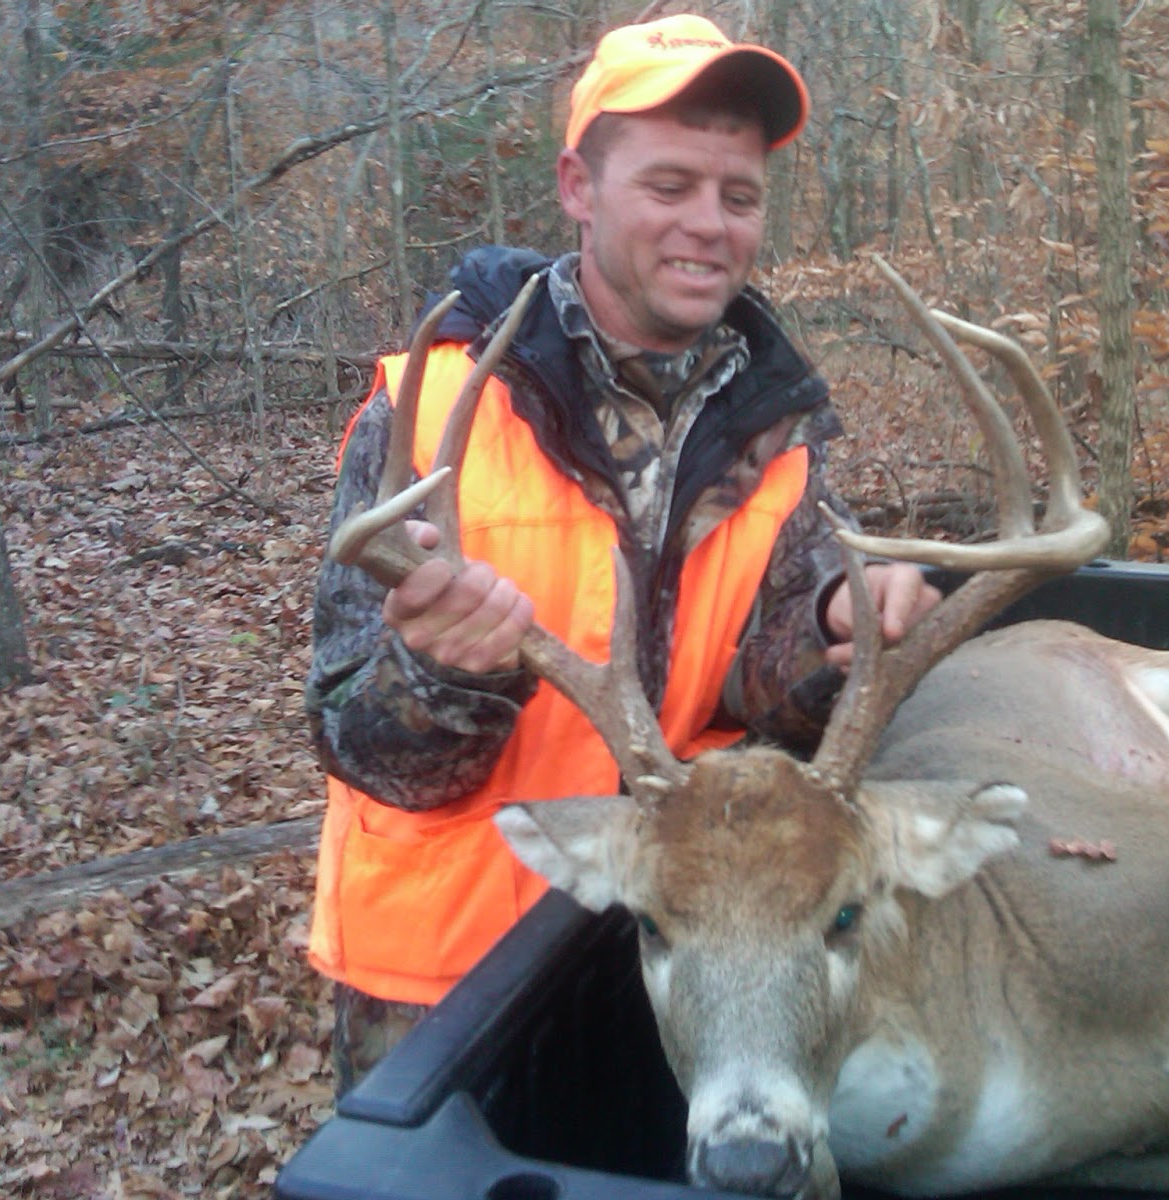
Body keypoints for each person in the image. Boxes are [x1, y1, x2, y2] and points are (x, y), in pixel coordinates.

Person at [304, 13, 941, 1093]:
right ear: (577, 187)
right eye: (669, 185)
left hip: (695, 954)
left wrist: (838, 629)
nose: (709, 225)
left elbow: (760, 696)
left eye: (738, 196)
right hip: (451, 967)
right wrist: (444, 674)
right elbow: (360, 742)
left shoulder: (775, 426)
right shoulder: (443, 400)